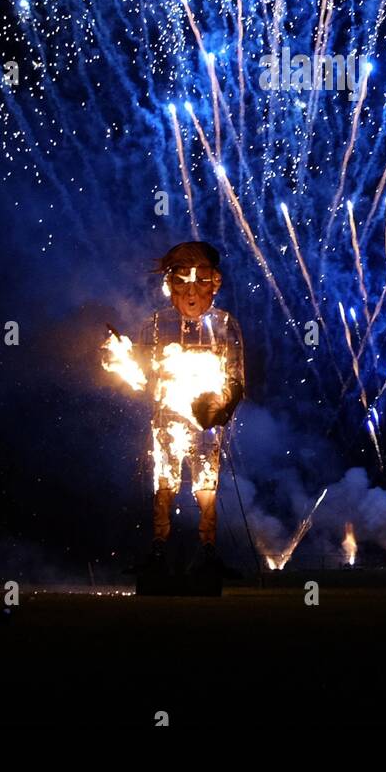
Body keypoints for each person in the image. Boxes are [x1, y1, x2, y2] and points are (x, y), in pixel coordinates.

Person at [136, 240, 245, 564]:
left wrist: (222, 406)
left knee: (206, 484)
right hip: (167, 418)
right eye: (182, 280)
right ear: (169, 285)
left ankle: (208, 549)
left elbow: (236, 378)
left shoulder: (225, 326)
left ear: (215, 283)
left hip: (207, 423)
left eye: (201, 280)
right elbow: (142, 374)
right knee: (164, 480)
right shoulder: (155, 325)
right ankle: (159, 546)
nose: (191, 292)